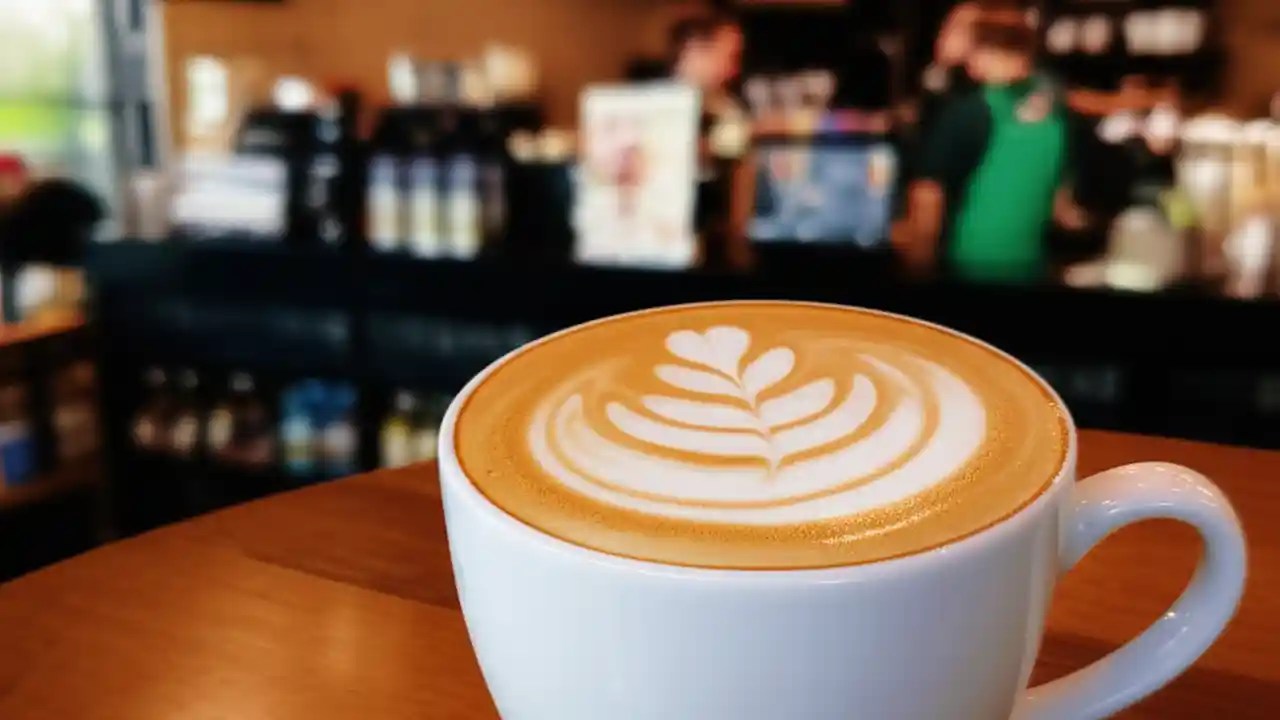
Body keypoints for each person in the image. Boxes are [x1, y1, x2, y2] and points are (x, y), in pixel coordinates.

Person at [901, 13, 1088, 283]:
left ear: (981, 52)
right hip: (1030, 270)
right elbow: (1063, 206)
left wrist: (916, 270)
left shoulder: (968, 113)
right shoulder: (1057, 114)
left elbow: (928, 196)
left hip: (968, 273)